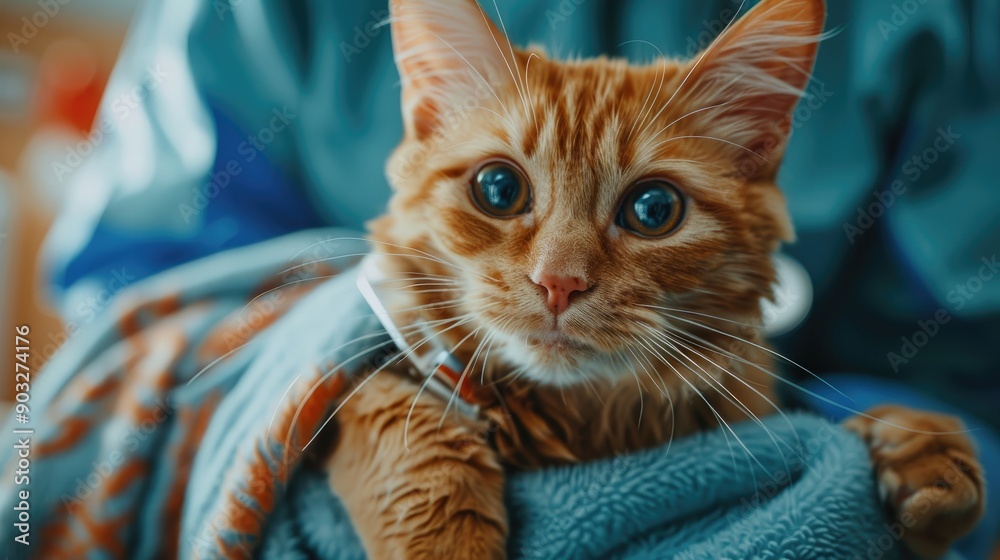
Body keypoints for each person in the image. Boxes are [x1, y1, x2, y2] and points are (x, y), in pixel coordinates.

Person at [38, 0, 1000, 556]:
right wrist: (367, 421)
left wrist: (859, 461)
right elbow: (145, 304)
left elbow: (962, 361)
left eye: (650, 210)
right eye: (500, 189)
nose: (559, 274)